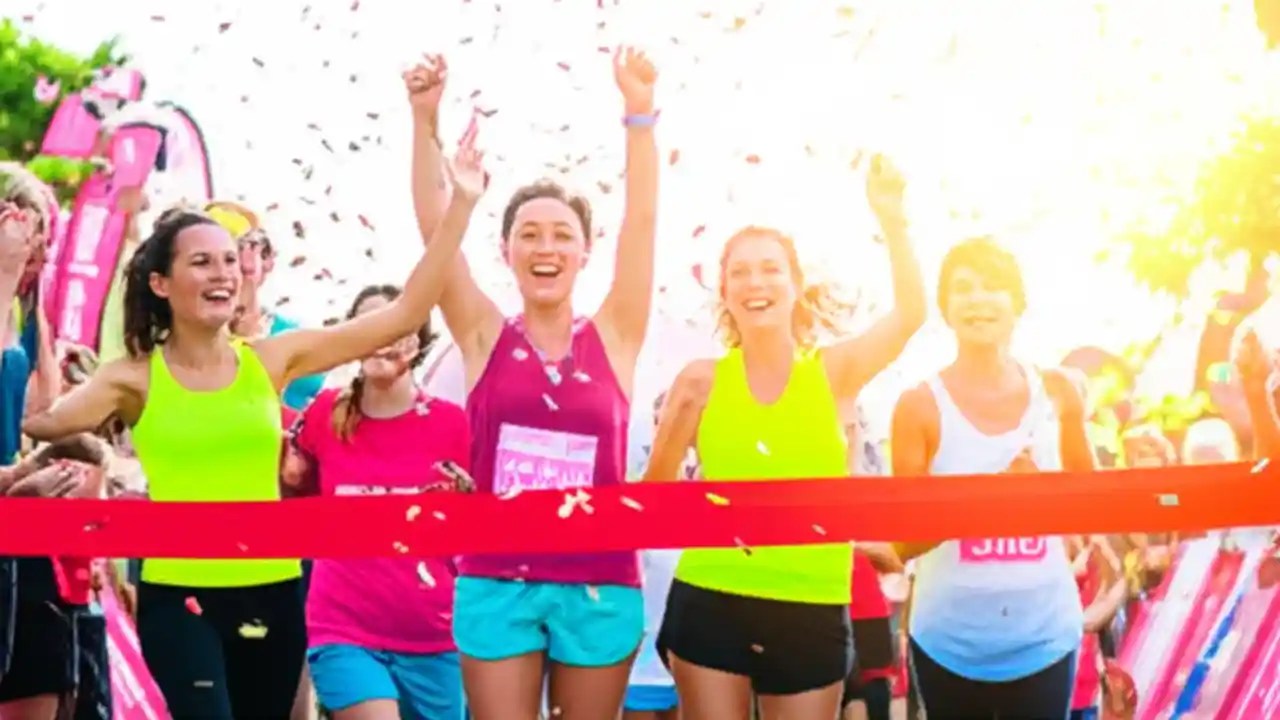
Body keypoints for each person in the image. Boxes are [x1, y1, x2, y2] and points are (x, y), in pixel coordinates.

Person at [20, 138, 486, 719]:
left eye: (229, 260)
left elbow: (405, 313)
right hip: (179, 593)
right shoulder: (130, 379)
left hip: (272, 590)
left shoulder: (271, 361)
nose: (225, 274)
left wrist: (461, 205)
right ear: (161, 284)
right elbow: (35, 418)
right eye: (202, 261)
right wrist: (22, 289)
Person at [406, 48, 660, 719]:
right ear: (507, 250)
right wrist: (423, 120)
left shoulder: (616, 337)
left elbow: (642, 225)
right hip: (496, 579)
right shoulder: (485, 336)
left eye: (561, 236)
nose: (545, 249)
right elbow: (436, 227)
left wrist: (639, 115)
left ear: (584, 251)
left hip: (599, 582)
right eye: (529, 235)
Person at [644, 155, 925, 720]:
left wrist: (892, 221)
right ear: (723, 290)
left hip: (810, 605)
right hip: (712, 597)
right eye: (740, 271)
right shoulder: (699, 380)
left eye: (771, 269)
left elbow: (911, 314)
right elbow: (655, 499)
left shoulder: (835, 372)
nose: (756, 282)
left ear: (796, 285)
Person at [890, 237, 1093, 719]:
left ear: (1017, 303)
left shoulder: (1059, 391)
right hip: (950, 642)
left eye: (993, 287)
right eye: (963, 289)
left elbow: (1090, 507)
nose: (978, 300)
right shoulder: (919, 404)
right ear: (945, 307)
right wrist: (994, 497)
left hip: (1044, 635)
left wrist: (1041, 491)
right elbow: (904, 540)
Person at [285, 283, 468, 720]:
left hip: (434, 635)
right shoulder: (325, 415)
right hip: (344, 628)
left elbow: (477, 525)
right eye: (370, 325)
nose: (382, 337)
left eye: (398, 326)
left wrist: (469, 504)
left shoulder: (452, 424)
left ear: (420, 341)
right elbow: (294, 493)